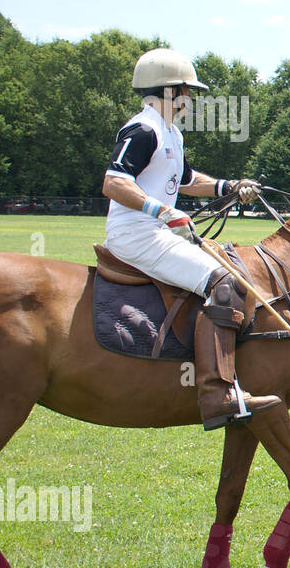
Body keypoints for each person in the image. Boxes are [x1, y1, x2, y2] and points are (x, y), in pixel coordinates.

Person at [102, 47, 277, 430]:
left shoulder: (171, 134)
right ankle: (219, 393)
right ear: (168, 91)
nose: (191, 99)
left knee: (227, 271)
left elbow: (185, 181)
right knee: (225, 283)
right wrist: (163, 212)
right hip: (137, 234)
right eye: (187, 91)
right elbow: (114, 182)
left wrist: (228, 186)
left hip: (157, 231)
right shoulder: (143, 129)